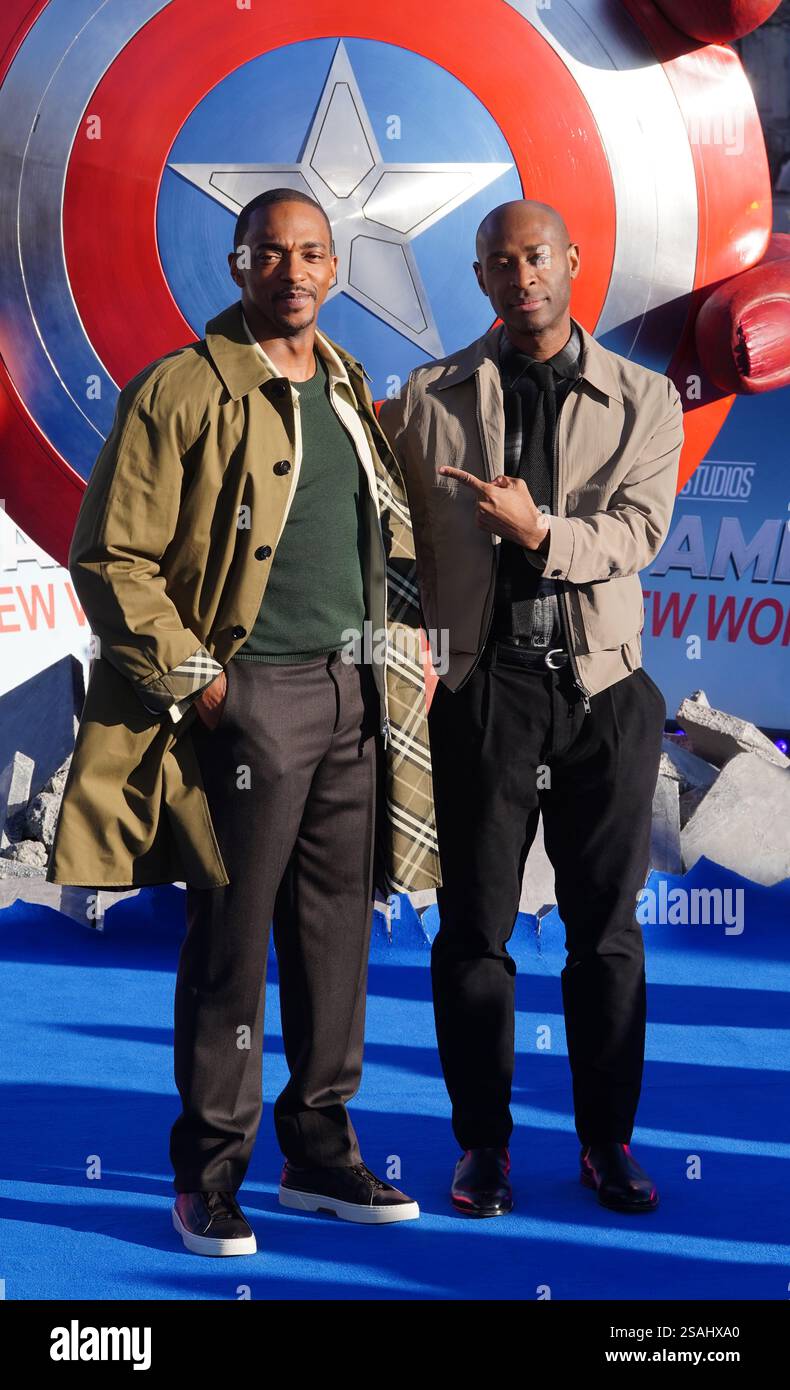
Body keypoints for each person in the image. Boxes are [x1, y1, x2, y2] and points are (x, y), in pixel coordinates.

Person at [46, 189, 441, 1254]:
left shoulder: (352, 384)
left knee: (333, 940)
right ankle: (209, 1174)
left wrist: (400, 644)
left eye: (313, 253)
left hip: (355, 693)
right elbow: (111, 558)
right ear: (237, 264)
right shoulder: (179, 390)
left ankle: (320, 1153)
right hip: (248, 699)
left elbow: (382, 540)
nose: (295, 271)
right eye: (273, 253)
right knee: (230, 947)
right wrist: (206, 685)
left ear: (334, 266)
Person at [378, 198, 684, 1217]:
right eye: (501, 264)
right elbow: (388, 535)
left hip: (604, 689)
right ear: (481, 280)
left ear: (572, 261)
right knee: (473, 930)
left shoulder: (643, 396)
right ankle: (482, 1149)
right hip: (483, 690)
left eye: (538, 256)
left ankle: (607, 1142)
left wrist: (539, 530)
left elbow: (637, 531)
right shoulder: (427, 397)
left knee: (605, 932)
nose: (523, 278)